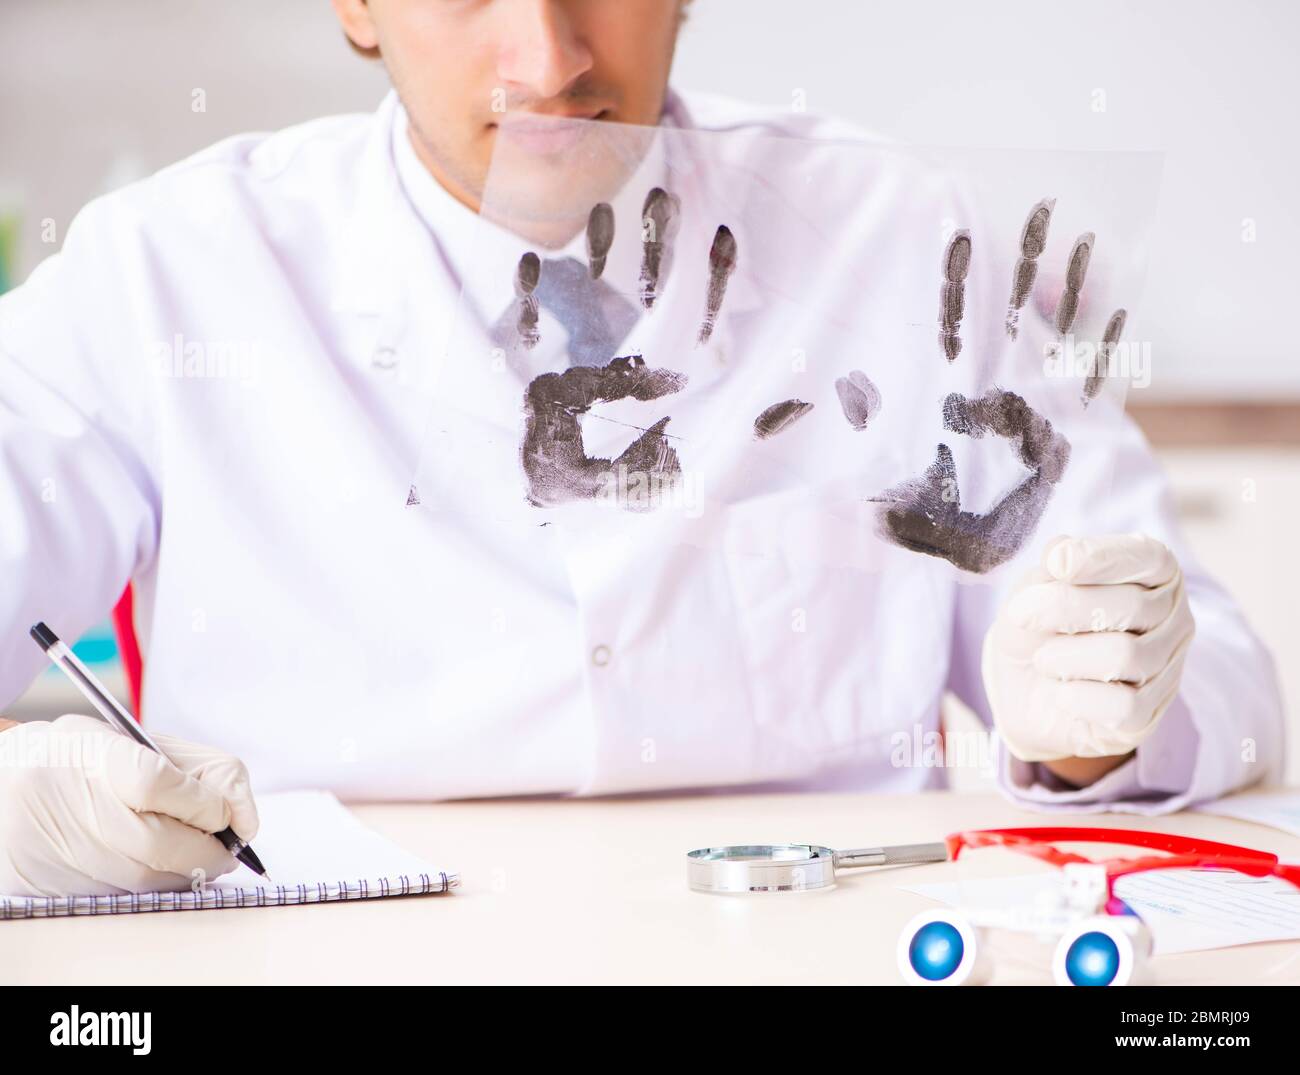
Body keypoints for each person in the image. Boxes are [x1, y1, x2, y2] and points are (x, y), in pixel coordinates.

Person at [0, 0, 1282, 898]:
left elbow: (1220, 677)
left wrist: (1103, 725)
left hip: (819, 950)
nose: (549, 57)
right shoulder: (168, 273)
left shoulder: (890, 233)